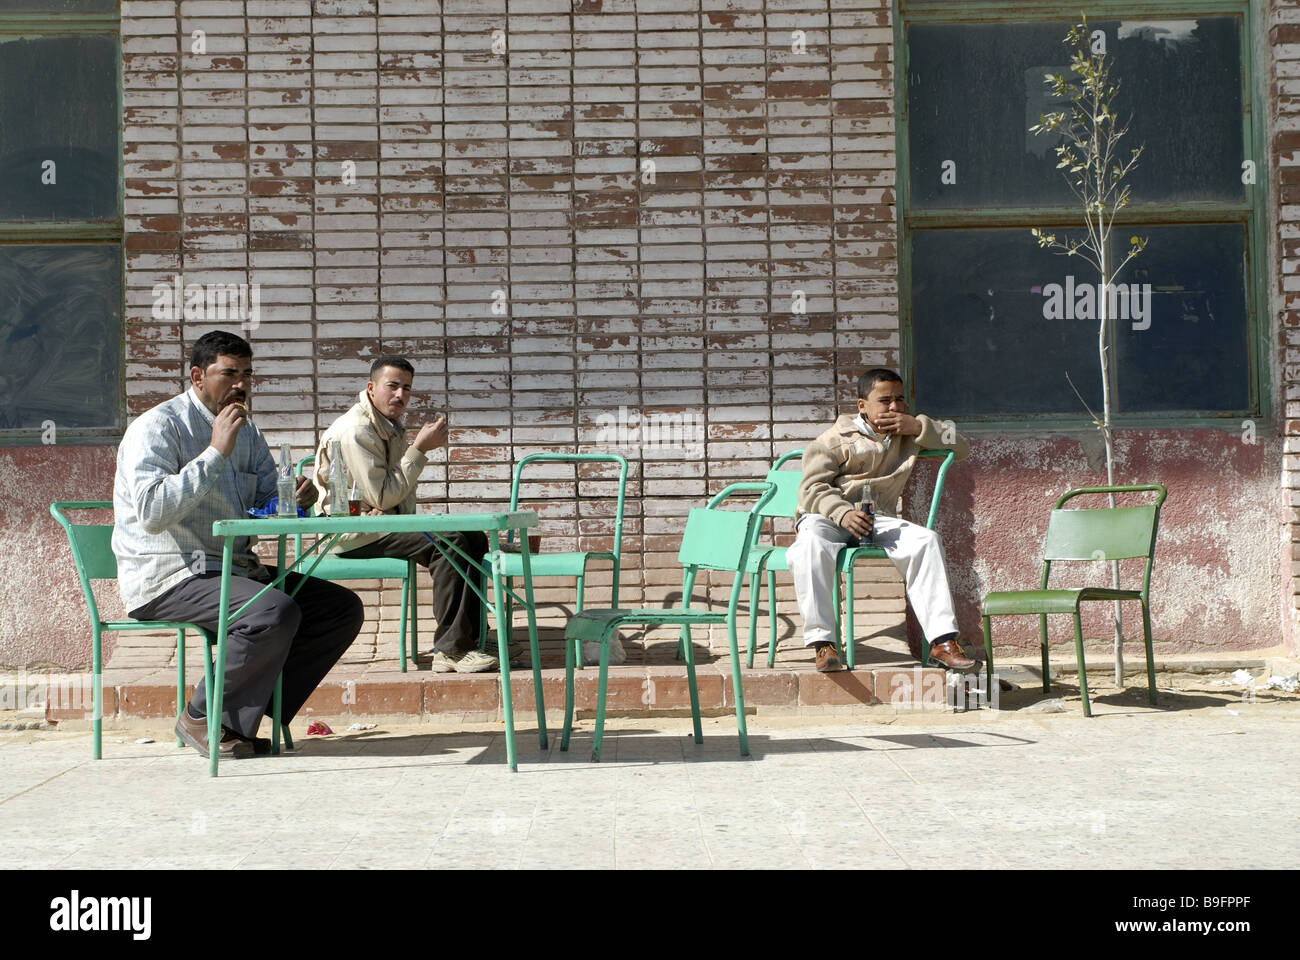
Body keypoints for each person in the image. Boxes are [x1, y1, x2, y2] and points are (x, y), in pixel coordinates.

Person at [112, 330, 365, 758]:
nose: (241, 385)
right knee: (271, 612)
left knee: (339, 609)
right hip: (169, 576)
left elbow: (267, 498)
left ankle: (235, 717)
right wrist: (214, 452)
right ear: (197, 376)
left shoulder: (247, 432)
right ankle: (200, 716)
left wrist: (293, 496)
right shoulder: (158, 427)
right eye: (228, 373)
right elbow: (152, 512)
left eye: (247, 374)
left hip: (233, 569)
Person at [787, 368, 978, 673]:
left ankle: (942, 643)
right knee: (808, 545)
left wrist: (918, 425)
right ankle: (823, 643)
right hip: (828, 517)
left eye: (899, 400)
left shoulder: (909, 433)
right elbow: (811, 489)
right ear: (862, 405)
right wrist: (842, 513)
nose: (894, 407)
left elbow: (963, 447)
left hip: (876, 519)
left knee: (925, 541)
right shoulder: (833, 439)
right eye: (884, 400)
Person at [314, 356, 494, 673]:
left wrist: (390, 505)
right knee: (449, 543)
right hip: (352, 534)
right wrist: (420, 449)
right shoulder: (356, 430)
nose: (400, 395)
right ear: (371, 388)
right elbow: (384, 494)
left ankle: (472, 638)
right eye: (392, 386)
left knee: (473, 537)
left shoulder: (386, 424)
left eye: (407, 388)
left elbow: (389, 496)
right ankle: (451, 651)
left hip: (381, 523)